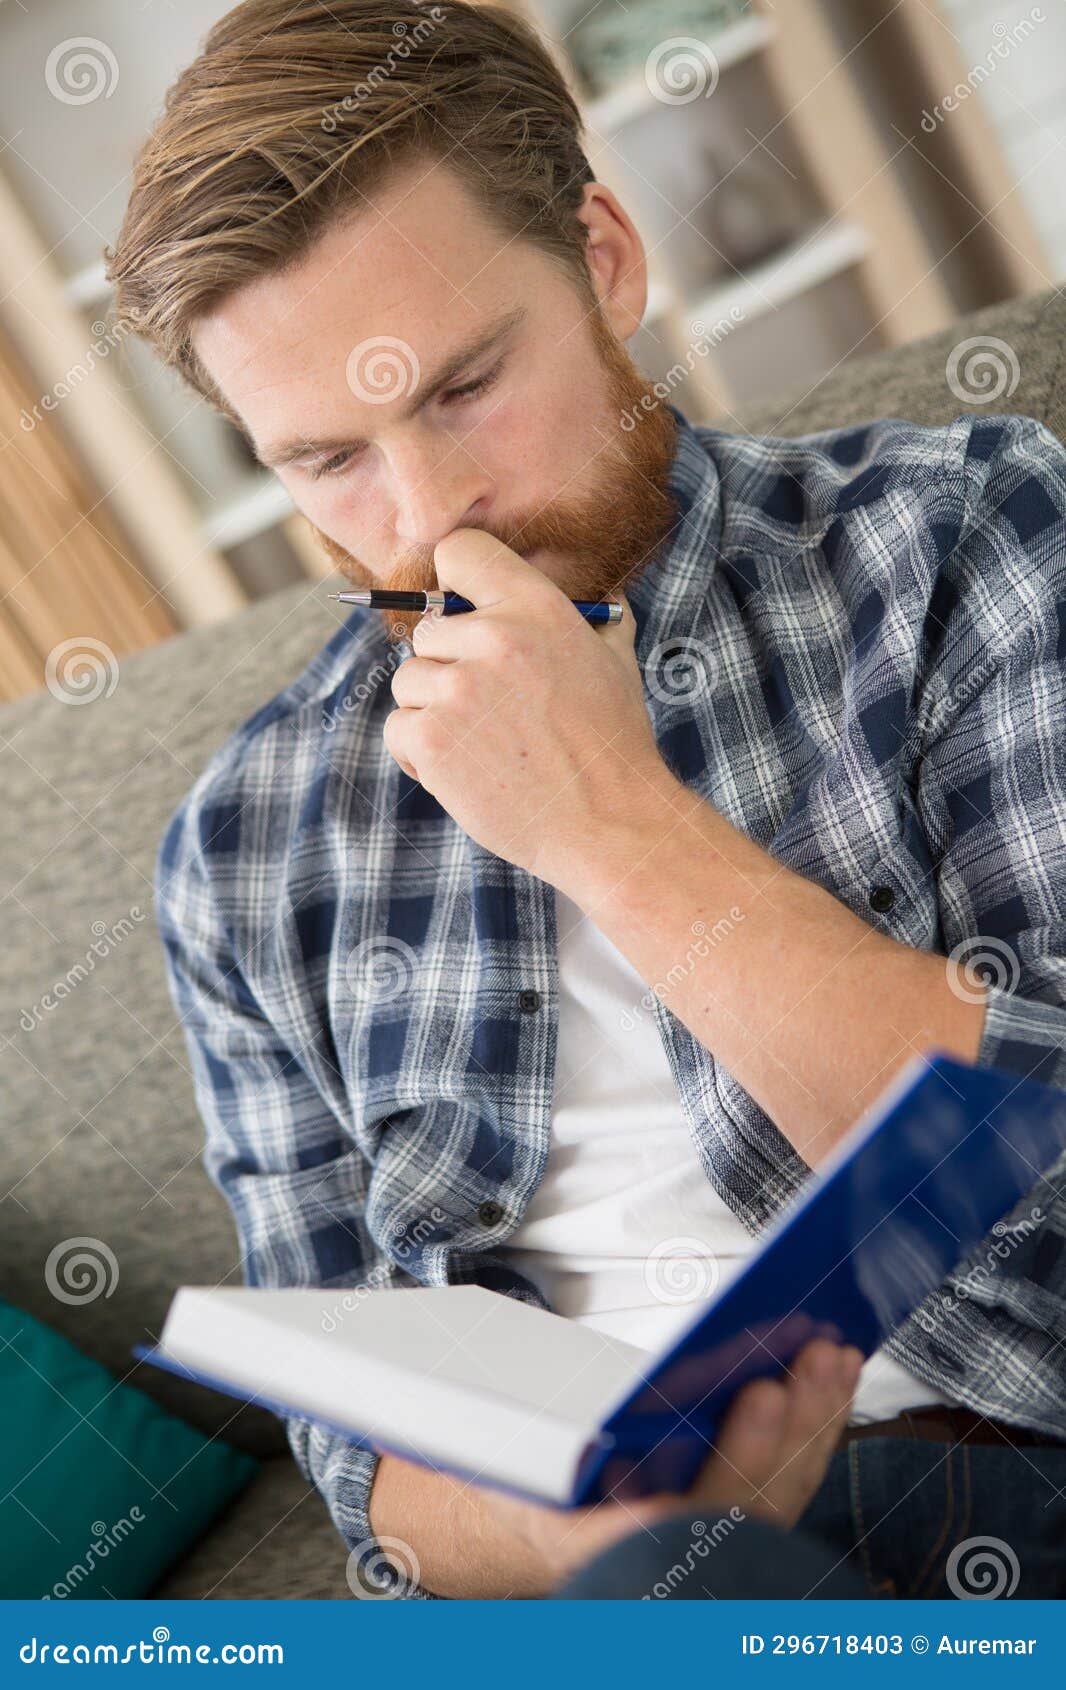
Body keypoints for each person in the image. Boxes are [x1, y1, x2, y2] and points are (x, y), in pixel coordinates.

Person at [107, 0, 1066, 1598]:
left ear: (605, 257)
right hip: (619, 1588)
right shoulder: (244, 847)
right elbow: (365, 1463)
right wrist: (598, 1531)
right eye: (326, 460)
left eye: (465, 386)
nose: (423, 520)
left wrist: (608, 821)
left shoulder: (960, 543)